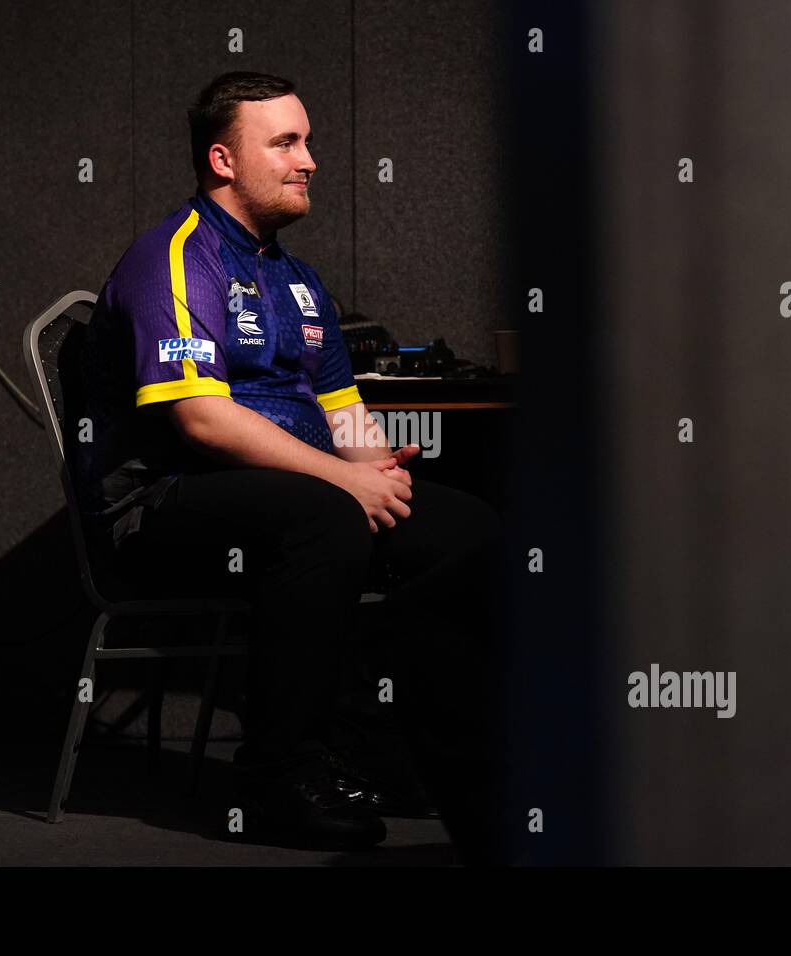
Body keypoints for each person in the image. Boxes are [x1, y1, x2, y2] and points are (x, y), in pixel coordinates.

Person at [76, 71, 508, 860]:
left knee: (467, 528)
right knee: (327, 518)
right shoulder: (175, 257)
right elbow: (200, 419)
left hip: (292, 492)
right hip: (166, 503)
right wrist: (346, 481)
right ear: (223, 160)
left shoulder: (298, 280)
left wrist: (378, 467)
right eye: (284, 142)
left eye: (306, 140)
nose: (308, 159)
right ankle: (278, 773)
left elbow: (343, 410)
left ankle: (383, 744)